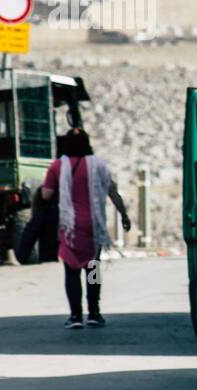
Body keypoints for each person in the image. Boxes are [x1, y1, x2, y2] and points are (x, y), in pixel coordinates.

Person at [41, 129, 132, 329]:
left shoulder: (58, 166)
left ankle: (75, 316)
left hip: (70, 227)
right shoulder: (98, 165)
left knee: (71, 271)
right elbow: (113, 191)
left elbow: (46, 195)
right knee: (93, 269)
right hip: (94, 226)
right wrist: (124, 215)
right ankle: (94, 312)